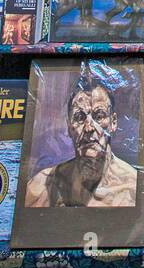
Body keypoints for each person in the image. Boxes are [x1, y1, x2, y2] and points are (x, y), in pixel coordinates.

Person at [22, 79, 137, 208]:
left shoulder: (134, 188)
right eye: (80, 118)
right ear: (69, 126)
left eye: (99, 116)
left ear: (113, 122)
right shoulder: (41, 187)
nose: (89, 128)